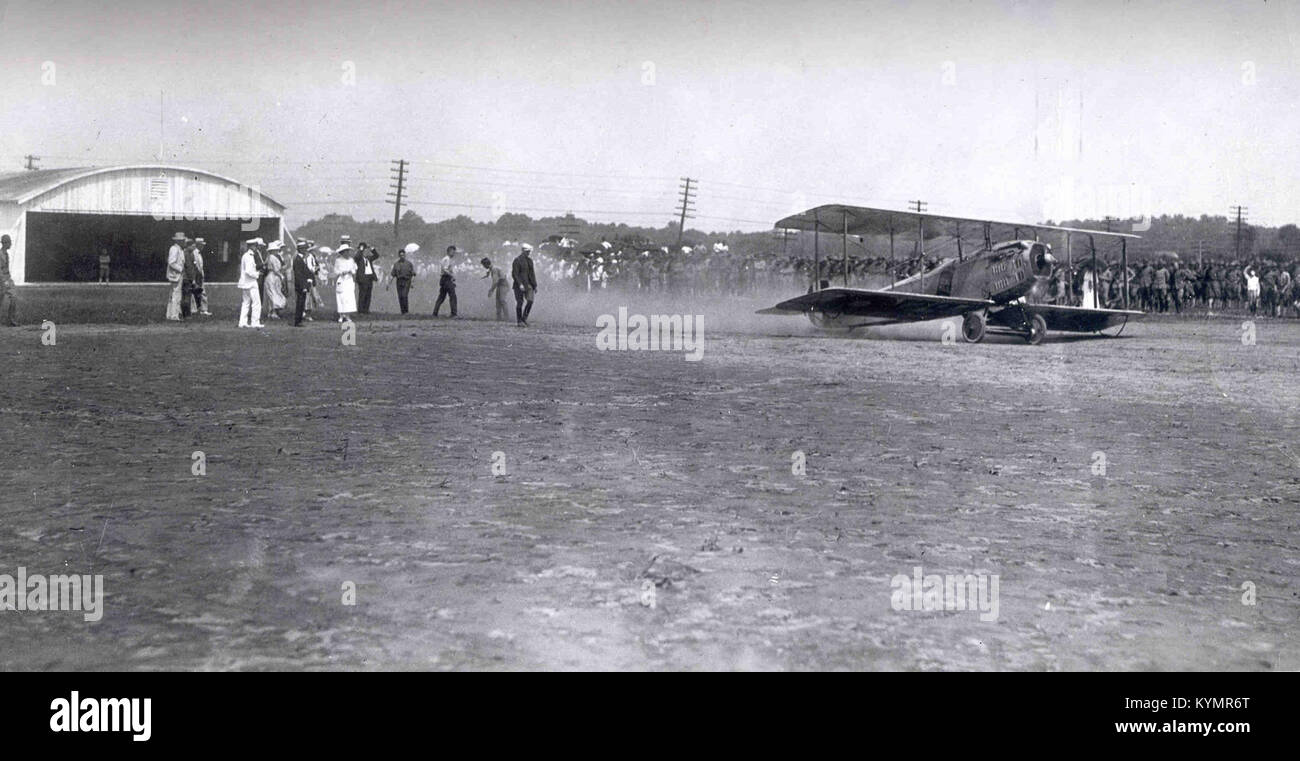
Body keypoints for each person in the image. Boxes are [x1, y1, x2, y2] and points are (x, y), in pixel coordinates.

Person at [237, 239, 264, 328]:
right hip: (251, 282)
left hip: (245, 283)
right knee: (256, 303)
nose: (256, 248)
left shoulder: (246, 255)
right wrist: (257, 274)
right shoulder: (249, 256)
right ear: (251, 247)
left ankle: (242, 322)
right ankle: (255, 322)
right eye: (255, 246)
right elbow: (249, 271)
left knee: (246, 303)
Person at [511, 243, 537, 326]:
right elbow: (515, 274)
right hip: (519, 285)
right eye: (527, 251)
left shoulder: (530, 261)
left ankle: (524, 318)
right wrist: (520, 284)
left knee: (530, 301)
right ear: (523, 251)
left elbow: (532, 274)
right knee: (520, 302)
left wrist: (534, 285)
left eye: (529, 251)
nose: (528, 253)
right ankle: (519, 321)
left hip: (529, 285)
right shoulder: (517, 260)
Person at [389, 244, 418, 314]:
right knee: (400, 296)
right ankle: (402, 311)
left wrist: (412, 283)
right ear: (399, 256)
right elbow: (392, 275)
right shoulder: (396, 264)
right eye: (400, 255)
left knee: (404, 295)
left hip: (407, 281)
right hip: (399, 281)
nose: (402, 256)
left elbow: (413, 274)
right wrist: (388, 283)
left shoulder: (409, 264)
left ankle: (406, 311)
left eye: (403, 255)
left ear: (405, 255)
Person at [264, 240, 288, 319]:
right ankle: (273, 312)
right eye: (276, 250)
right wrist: (281, 276)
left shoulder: (270, 257)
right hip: (273, 276)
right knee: (274, 294)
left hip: (273, 276)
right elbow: (276, 269)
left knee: (273, 293)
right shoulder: (272, 258)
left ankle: (271, 312)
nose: (277, 251)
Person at [165, 232, 186, 321]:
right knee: (176, 295)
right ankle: (174, 315)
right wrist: (181, 269)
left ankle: (170, 315)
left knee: (173, 294)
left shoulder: (180, 249)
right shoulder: (174, 249)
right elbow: (171, 262)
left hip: (177, 274)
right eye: (183, 240)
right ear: (179, 241)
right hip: (175, 275)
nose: (184, 242)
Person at [333, 245, 358, 322]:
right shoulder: (338, 260)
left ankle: (347, 316)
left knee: (349, 298)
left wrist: (351, 271)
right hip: (342, 280)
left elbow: (355, 269)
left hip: (349, 280)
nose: (347, 253)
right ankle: (341, 315)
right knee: (341, 298)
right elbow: (335, 271)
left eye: (348, 251)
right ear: (342, 252)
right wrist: (341, 272)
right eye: (345, 251)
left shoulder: (351, 260)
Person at [291, 242, 313, 327]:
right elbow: (298, 274)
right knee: (300, 303)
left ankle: (299, 320)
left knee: (302, 302)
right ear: (300, 249)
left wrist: (309, 278)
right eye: (304, 249)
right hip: (300, 284)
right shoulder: (297, 259)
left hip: (303, 283)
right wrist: (303, 286)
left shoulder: (301, 259)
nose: (305, 250)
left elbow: (306, 271)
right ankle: (297, 321)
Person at [481, 256, 509, 320]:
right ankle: (499, 317)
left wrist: (491, 290)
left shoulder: (494, 269)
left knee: (502, 300)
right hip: (500, 285)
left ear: (486, 264)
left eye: (483, 265)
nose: (483, 267)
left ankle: (506, 317)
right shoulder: (493, 268)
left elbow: (495, 281)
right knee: (498, 302)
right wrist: (487, 275)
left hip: (503, 285)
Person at [434, 245, 458, 317]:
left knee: (441, 297)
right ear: (449, 251)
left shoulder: (446, 259)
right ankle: (454, 313)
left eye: (454, 252)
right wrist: (452, 276)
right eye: (452, 252)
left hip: (445, 279)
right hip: (446, 279)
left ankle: (435, 312)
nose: (454, 253)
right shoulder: (447, 259)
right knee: (453, 296)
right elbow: (445, 269)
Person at [180, 239, 201, 319]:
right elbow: (189, 267)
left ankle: (186, 312)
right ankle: (186, 314)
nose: (194, 248)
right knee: (187, 296)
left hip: (189, 276)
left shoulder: (190, 253)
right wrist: (193, 279)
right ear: (189, 246)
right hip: (187, 278)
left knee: (187, 295)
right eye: (193, 246)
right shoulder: (187, 254)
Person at [355, 242, 377, 314]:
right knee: (362, 294)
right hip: (362, 278)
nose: (365, 252)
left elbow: (376, 255)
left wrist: (371, 248)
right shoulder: (359, 259)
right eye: (364, 251)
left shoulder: (369, 258)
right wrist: (361, 249)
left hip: (369, 277)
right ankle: (361, 310)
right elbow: (356, 257)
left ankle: (366, 310)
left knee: (368, 294)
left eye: (366, 251)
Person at [0, 234, 17, 326]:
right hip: (2, 280)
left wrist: (9, 279)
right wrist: (4, 281)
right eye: (9, 242)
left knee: (13, 297)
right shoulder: (0, 254)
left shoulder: (6, 254)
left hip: (7, 278)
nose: (11, 244)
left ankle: (11, 320)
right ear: (5, 243)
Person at [193, 237, 211, 315]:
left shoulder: (199, 253)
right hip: (197, 275)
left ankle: (202, 309)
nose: (203, 246)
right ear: (198, 245)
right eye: (202, 245)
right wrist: (199, 275)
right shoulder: (195, 253)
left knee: (201, 292)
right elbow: (196, 266)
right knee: (200, 292)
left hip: (199, 275)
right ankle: (201, 309)